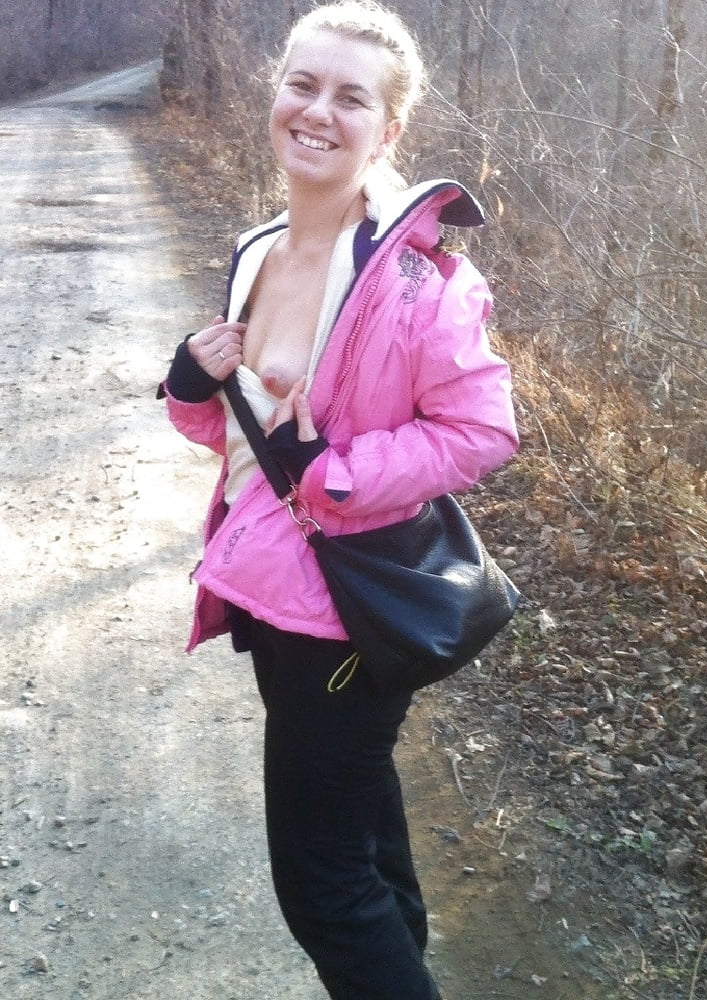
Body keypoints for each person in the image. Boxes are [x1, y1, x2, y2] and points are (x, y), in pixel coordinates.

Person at [159, 3, 519, 997]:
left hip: (346, 611)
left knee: (322, 888)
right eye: (302, 85)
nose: (318, 111)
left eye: (350, 98)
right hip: (273, 590)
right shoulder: (257, 250)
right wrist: (193, 387)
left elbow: (482, 431)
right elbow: (252, 442)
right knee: (362, 836)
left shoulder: (418, 282)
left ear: (388, 130)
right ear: (275, 94)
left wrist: (338, 473)